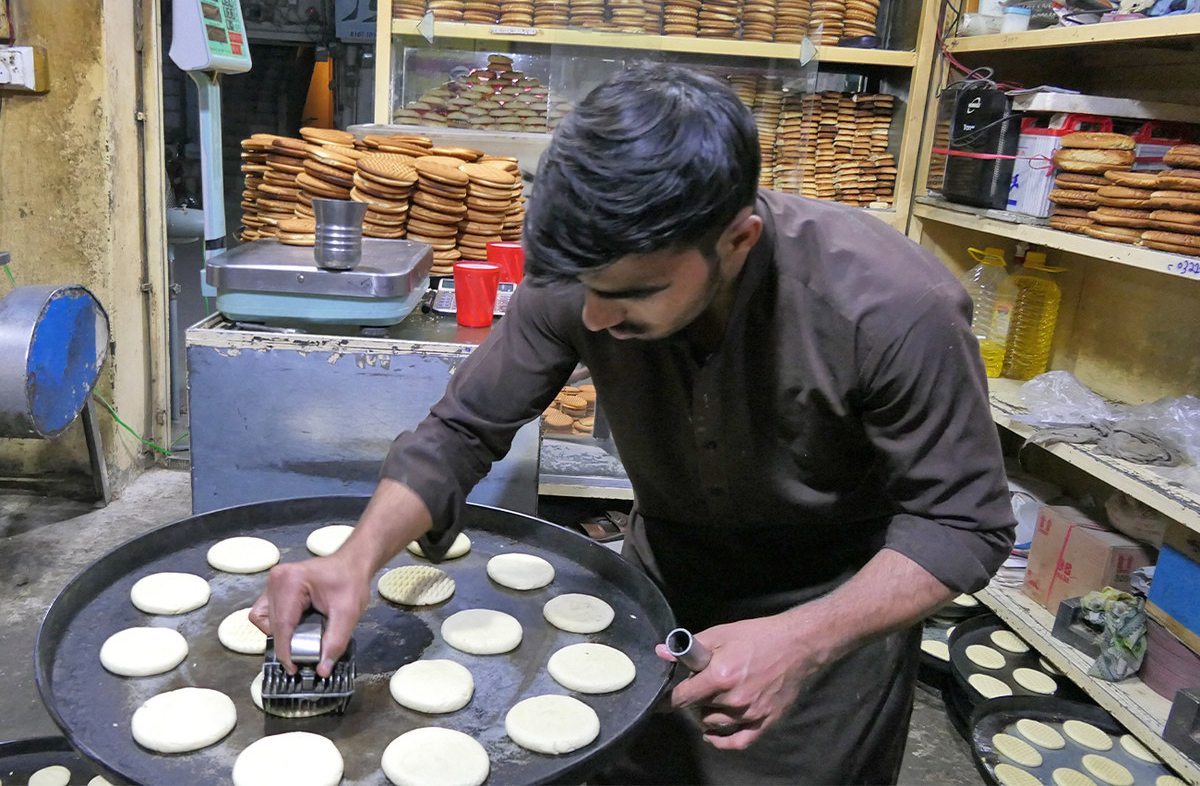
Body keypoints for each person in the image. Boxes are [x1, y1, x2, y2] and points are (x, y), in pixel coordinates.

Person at [251, 63, 1014, 785]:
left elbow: (962, 524)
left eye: (632, 294)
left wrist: (802, 642)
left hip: (830, 611)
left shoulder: (889, 308)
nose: (592, 317)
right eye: (583, 288)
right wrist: (357, 558)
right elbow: (460, 432)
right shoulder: (590, 273)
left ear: (737, 241)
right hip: (658, 587)